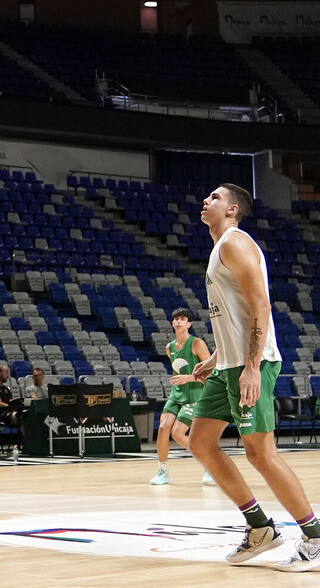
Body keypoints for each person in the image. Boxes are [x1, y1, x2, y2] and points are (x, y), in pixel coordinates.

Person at [187, 183, 320, 572]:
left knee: (260, 453)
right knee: (200, 442)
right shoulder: (219, 248)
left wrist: (250, 366)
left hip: (252, 364)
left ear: (231, 209)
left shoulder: (234, 242)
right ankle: (261, 529)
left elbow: (261, 303)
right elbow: (237, 314)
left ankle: (314, 535)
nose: (205, 201)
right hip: (229, 364)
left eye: (213, 197)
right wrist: (216, 356)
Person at [150, 307, 213, 486]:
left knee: (177, 434)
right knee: (163, 428)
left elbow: (212, 372)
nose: (178, 321)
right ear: (172, 323)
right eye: (176, 318)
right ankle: (162, 471)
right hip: (176, 396)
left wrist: (190, 378)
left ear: (189, 324)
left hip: (194, 396)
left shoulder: (197, 344)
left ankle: (209, 463)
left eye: (183, 318)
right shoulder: (169, 348)